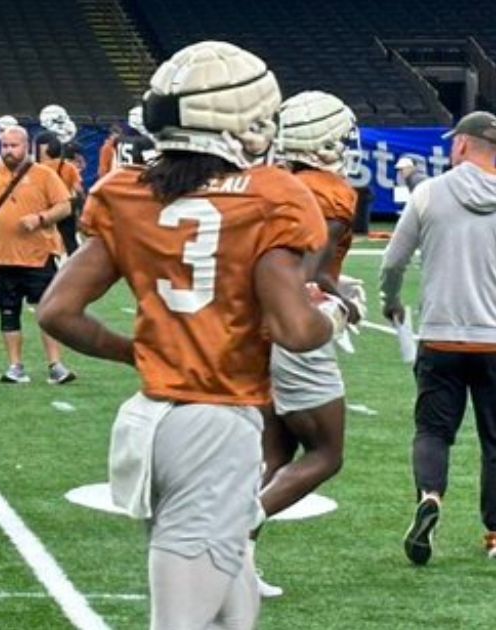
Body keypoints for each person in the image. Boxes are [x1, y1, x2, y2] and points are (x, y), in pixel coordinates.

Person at [41, 41, 345, 630]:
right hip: (218, 421)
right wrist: (336, 312)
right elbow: (294, 329)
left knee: (234, 614)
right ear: (235, 122)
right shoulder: (272, 196)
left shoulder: (126, 193)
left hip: (149, 420)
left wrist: (137, 352)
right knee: (180, 622)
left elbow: (58, 312)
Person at [254, 90, 362, 598]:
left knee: (277, 451)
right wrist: (344, 302)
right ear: (321, 142)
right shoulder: (329, 191)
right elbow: (309, 271)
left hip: (258, 328)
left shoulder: (277, 182)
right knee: (325, 454)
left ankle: (233, 562)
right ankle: (229, 535)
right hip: (297, 327)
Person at [380, 110, 496, 565]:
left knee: (432, 431)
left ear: (463, 145)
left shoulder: (428, 192)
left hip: (440, 336)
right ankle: (494, 536)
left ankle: (431, 496)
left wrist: (391, 300)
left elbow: (393, 261)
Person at [0, 125, 76, 385]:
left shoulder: (44, 175)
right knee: (7, 311)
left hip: (38, 256)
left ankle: (55, 365)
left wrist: (40, 218)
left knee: (45, 312)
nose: (8, 151)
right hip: (0, 257)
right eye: (4, 146)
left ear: (26, 147)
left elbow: (65, 206)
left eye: (13, 146)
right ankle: (15, 366)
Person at [36, 130, 83, 255]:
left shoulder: (39, 168)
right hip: (66, 206)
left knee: (44, 237)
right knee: (70, 240)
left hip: (47, 207)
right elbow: (78, 189)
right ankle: (75, 266)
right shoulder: (69, 167)